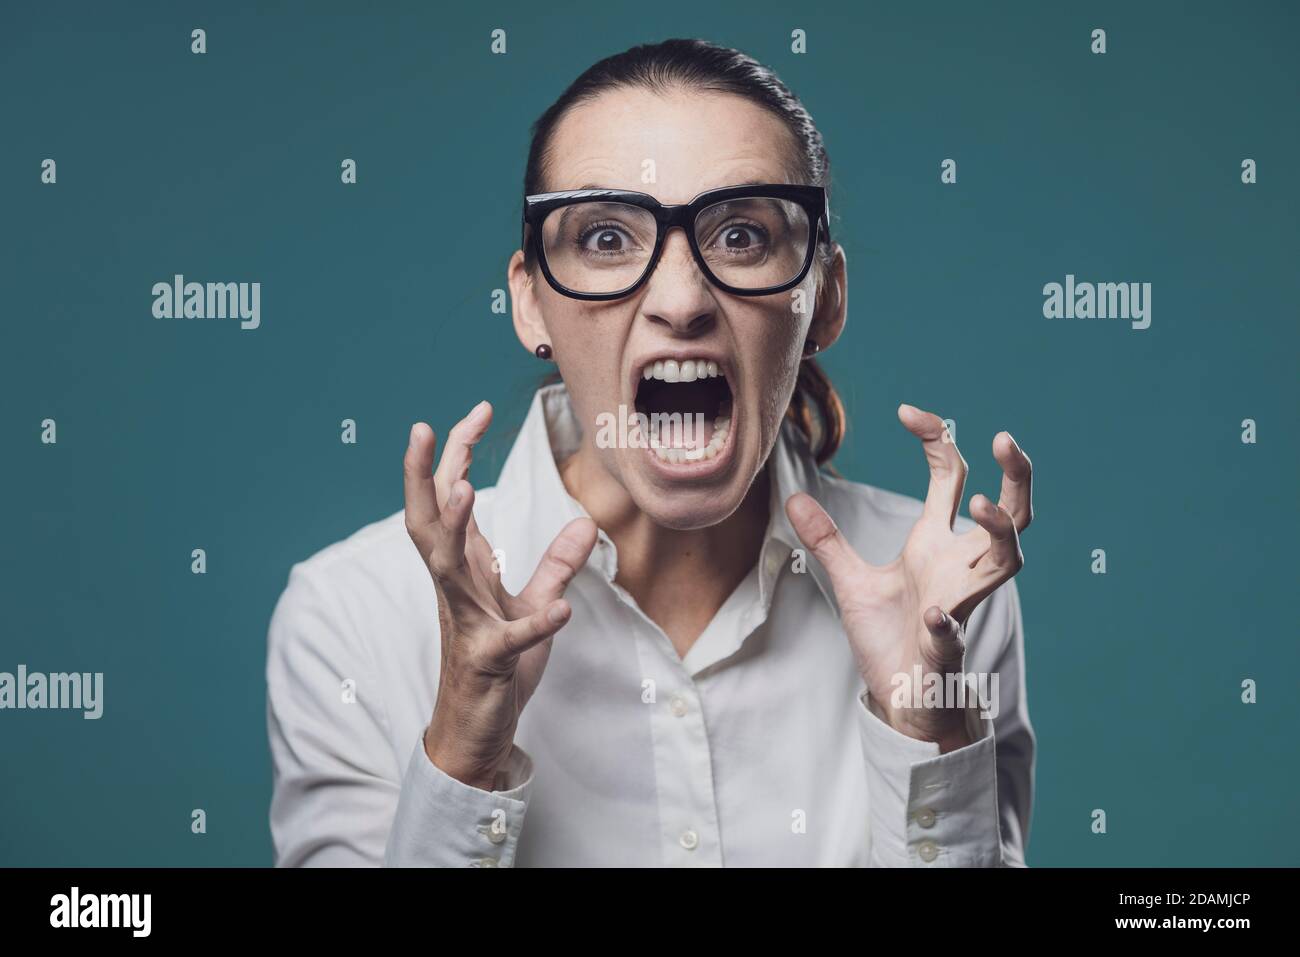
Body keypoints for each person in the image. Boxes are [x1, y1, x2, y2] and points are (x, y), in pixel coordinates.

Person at [267, 38, 1036, 867]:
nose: (680, 300)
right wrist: (463, 750)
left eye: (742, 235)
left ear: (824, 298)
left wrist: (925, 730)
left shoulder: (944, 595)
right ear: (529, 302)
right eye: (605, 239)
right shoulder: (352, 616)